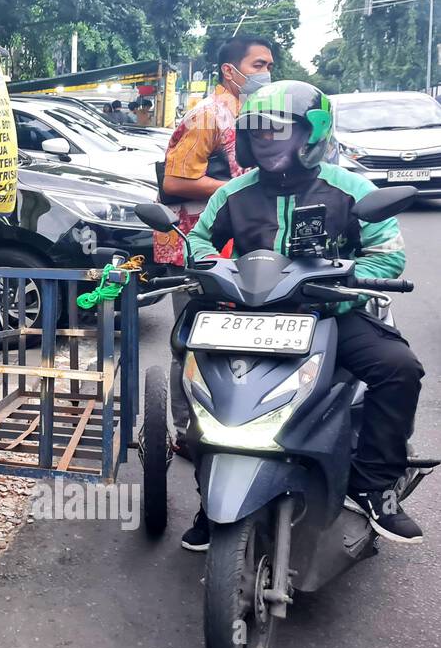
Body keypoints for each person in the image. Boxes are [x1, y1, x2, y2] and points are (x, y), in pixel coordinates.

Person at [185, 82, 424, 546]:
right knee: (201, 386)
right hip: (250, 316)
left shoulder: (350, 188)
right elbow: (199, 242)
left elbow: (387, 255)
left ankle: (375, 485)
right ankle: (211, 495)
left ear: (310, 135)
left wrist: (344, 290)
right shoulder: (233, 193)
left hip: (329, 313)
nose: (266, 141)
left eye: (278, 131)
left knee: (398, 369)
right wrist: (213, 269)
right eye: (256, 133)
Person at [156, 34, 275, 508]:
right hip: (196, 248)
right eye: (259, 63)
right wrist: (243, 188)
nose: (267, 70)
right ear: (231, 70)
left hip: (245, 252)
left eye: (270, 63)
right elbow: (174, 181)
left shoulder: (258, 116)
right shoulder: (209, 114)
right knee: (195, 344)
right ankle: (189, 433)